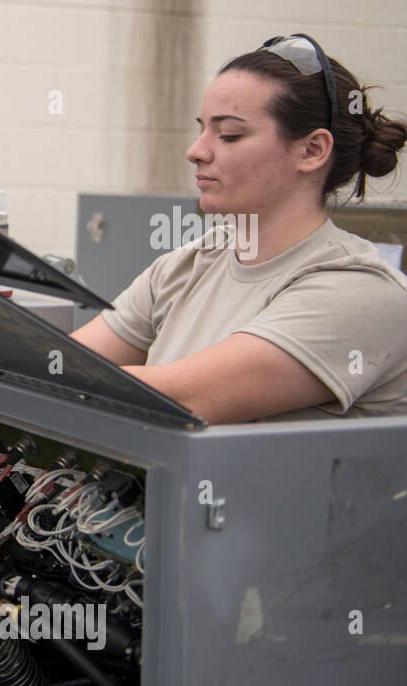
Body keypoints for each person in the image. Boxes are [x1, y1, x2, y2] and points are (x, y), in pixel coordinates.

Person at [71, 34, 407, 425]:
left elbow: (179, 400)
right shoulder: (188, 264)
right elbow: (68, 363)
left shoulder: (360, 292)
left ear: (312, 151)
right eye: (202, 130)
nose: (196, 151)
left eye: (229, 134)